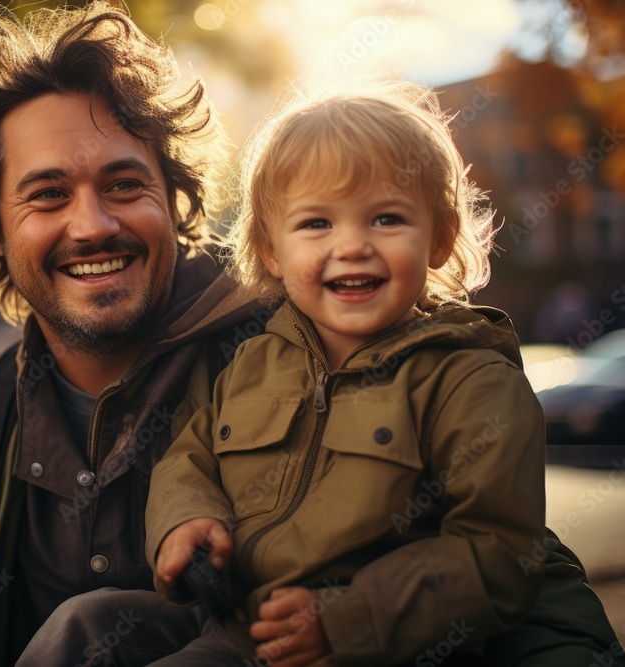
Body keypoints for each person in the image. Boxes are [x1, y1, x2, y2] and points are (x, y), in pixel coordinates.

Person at [0, 4, 625, 667]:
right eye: (47, 195)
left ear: (173, 202)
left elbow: (527, 584)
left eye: (125, 184)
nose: (93, 224)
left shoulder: (307, 345)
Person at [143, 80, 544, 665]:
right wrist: (187, 518)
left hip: (374, 646)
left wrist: (354, 620)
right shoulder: (255, 362)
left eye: (385, 218)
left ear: (439, 237)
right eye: (316, 224)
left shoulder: (468, 380)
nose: (352, 245)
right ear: (271, 250)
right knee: (84, 622)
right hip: (237, 621)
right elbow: (190, 458)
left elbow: (501, 553)